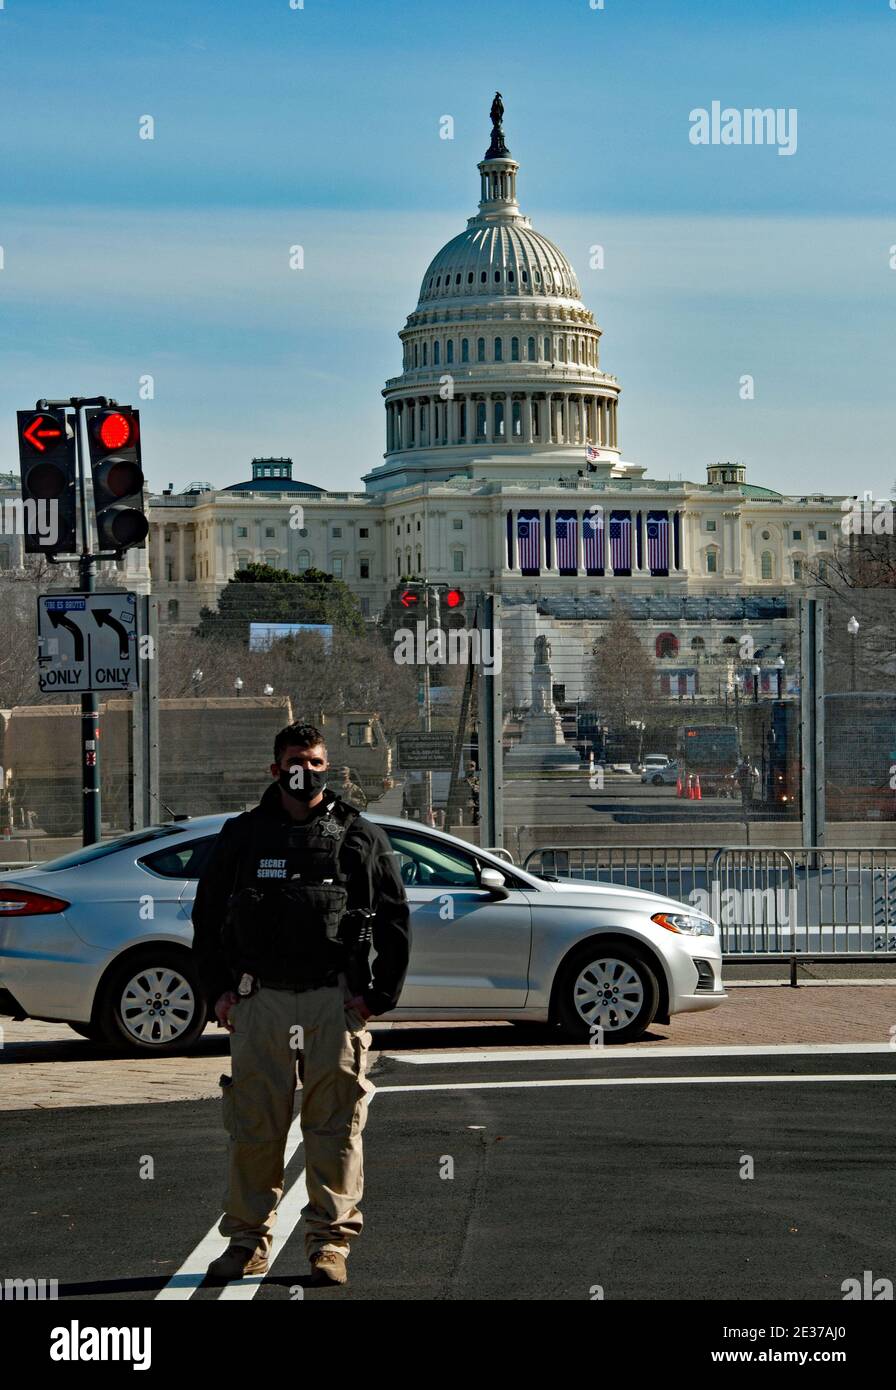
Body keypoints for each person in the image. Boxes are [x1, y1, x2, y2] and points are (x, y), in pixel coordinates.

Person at [191, 721, 411, 1288]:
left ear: (328, 766)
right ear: (274, 768)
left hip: (330, 1002)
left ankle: (329, 1246)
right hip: (258, 1001)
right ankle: (246, 1244)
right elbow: (207, 918)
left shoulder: (357, 835)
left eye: (315, 761)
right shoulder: (242, 837)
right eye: (295, 760)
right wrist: (218, 991)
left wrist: (376, 996)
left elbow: (393, 917)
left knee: (334, 1127)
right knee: (254, 1126)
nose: (305, 771)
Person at [465, 760, 480, 826]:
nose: (470, 768)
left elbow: (478, 790)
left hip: (476, 804)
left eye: (472, 766)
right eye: (468, 766)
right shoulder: (463, 780)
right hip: (466, 805)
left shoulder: (478, 780)